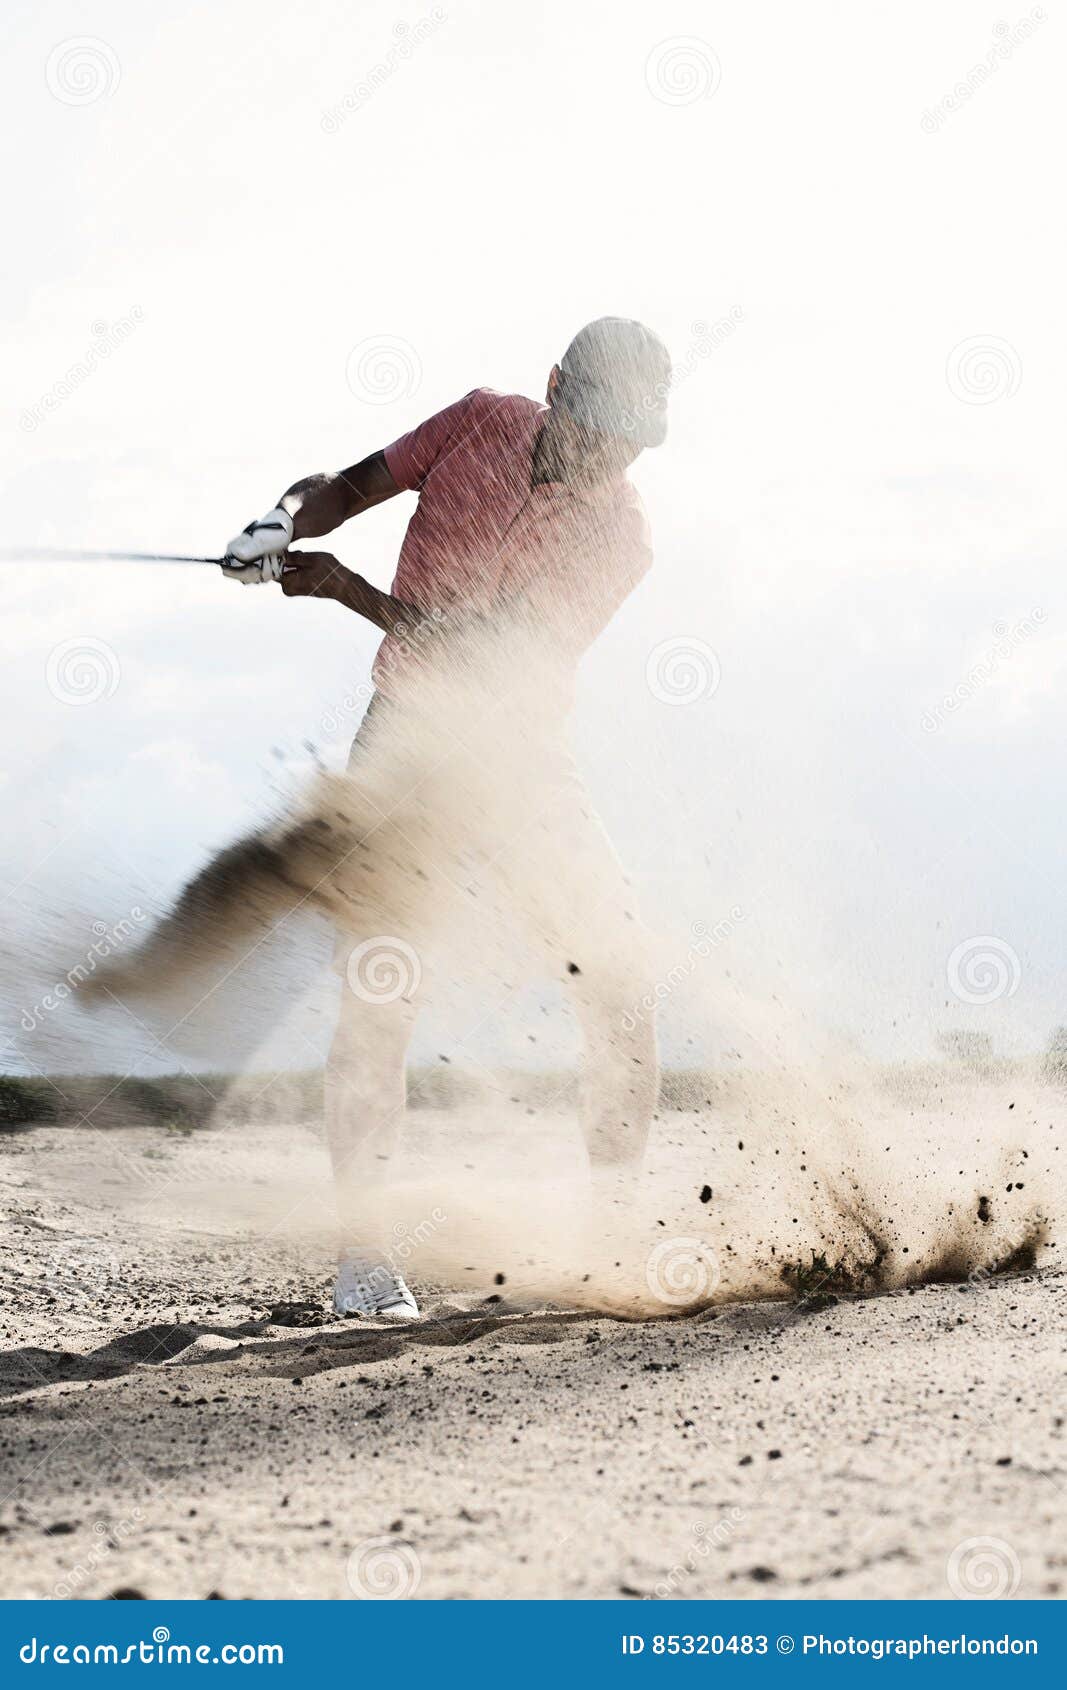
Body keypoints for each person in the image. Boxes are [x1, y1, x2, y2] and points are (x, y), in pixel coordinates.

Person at [219, 318, 671, 1321]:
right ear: (555, 385)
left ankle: (608, 1241)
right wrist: (283, 523)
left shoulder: (620, 537)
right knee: (380, 989)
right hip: (401, 746)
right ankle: (364, 1262)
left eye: (634, 436)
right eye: (601, 424)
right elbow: (343, 485)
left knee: (620, 986)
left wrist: (343, 590)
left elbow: (485, 655)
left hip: (517, 759)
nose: (612, 453)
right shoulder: (475, 424)